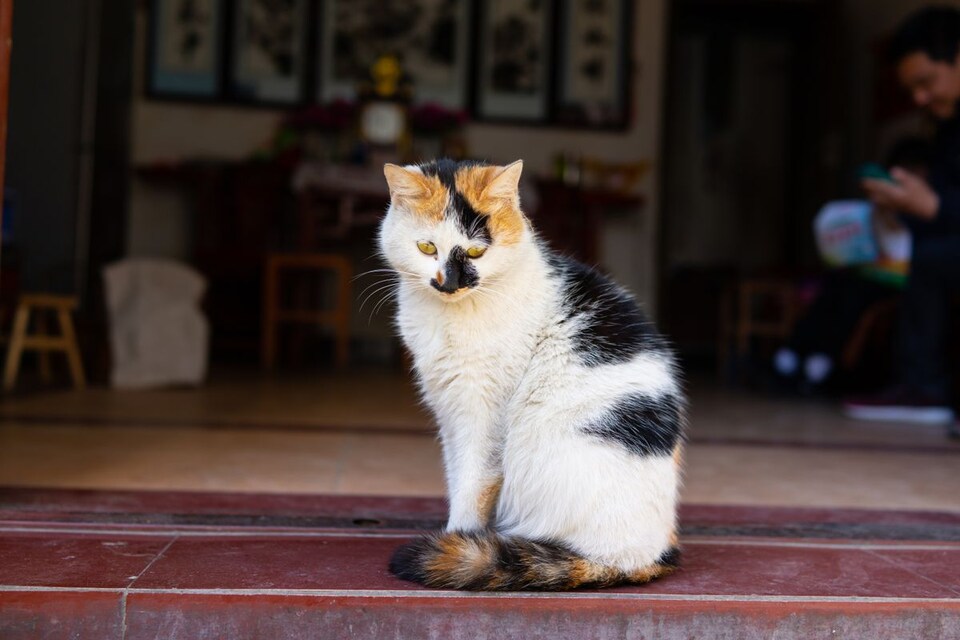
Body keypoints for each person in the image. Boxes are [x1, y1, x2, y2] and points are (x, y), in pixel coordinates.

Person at [844, 6, 960, 426]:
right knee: (873, 261)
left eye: (926, 83)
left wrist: (935, 207)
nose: (919, 99)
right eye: (912, 89)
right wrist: (901, 205)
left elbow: (943, 206)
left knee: (930, 258)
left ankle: (925, 387)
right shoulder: (946, 127)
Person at [773, 139, 928, 394]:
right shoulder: (879, 209)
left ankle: (821, 363)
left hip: (903, 282)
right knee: (836, 285)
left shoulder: (930, 207)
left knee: (854, 295)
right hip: (875, 273)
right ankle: (794, 356)